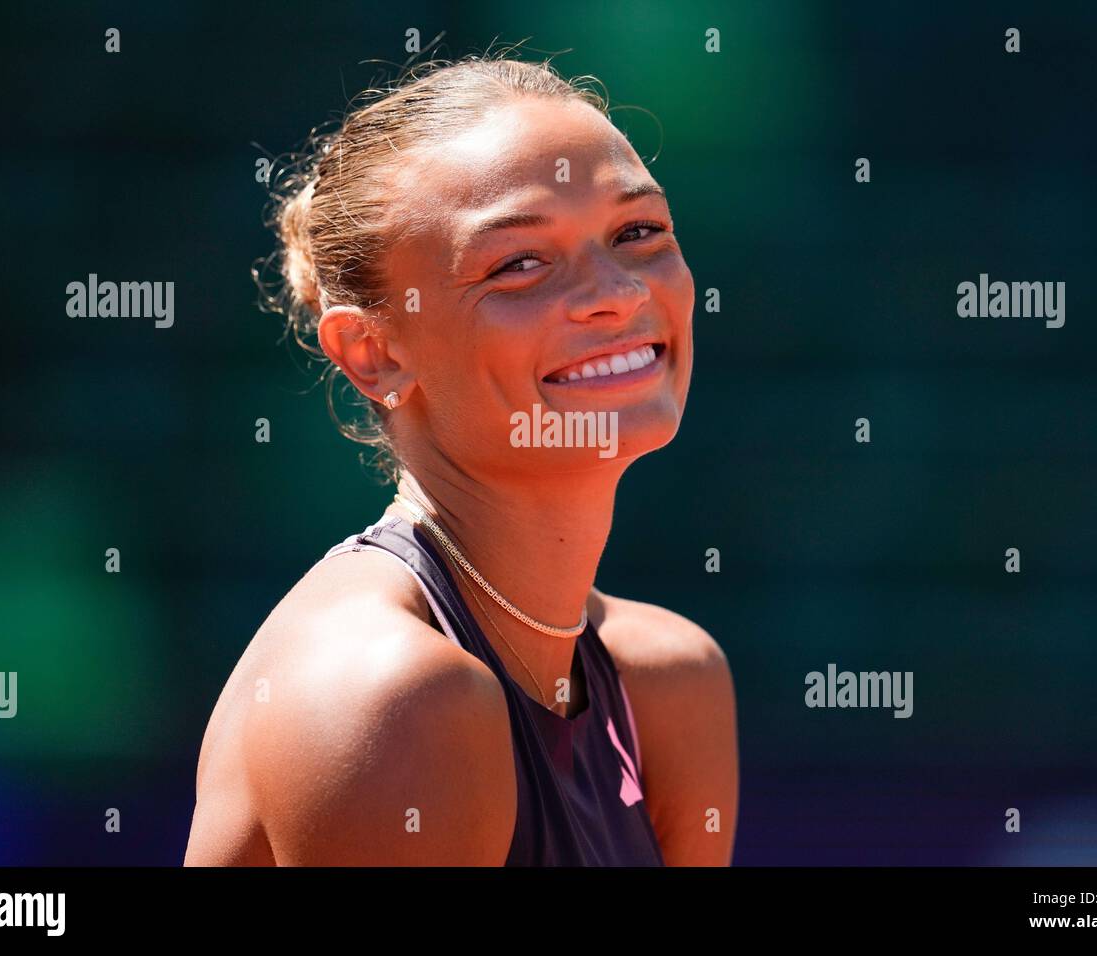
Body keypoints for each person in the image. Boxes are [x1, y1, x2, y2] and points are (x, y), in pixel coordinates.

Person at [184, 52, 738, 866]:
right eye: (519, 264)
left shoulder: (671, 682)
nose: (618, 291)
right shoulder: (393, 698)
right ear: (371, 352)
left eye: (638, 232)